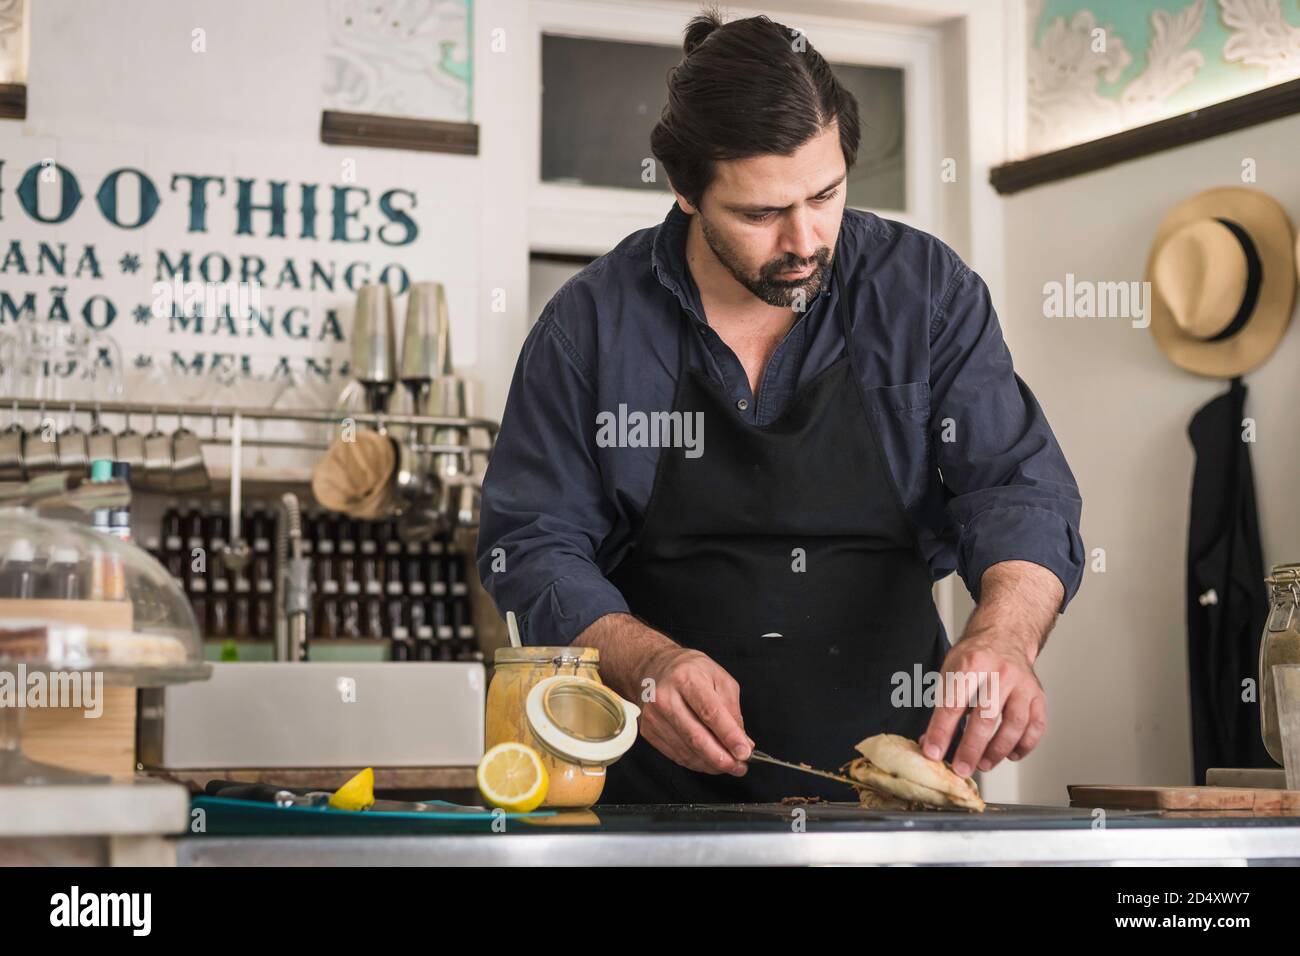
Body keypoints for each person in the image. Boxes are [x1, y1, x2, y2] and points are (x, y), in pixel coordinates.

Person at [478, 11, 1083, 803]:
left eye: (826, 194)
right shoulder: (590, 326)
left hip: (895, 782)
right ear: (684, 189)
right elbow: (532, 543)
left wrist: (1003, 635)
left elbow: (1018, 490)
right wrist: (648, 663)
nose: (805, 239)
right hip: (654, 792)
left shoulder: (924, 294)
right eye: (761, 214)